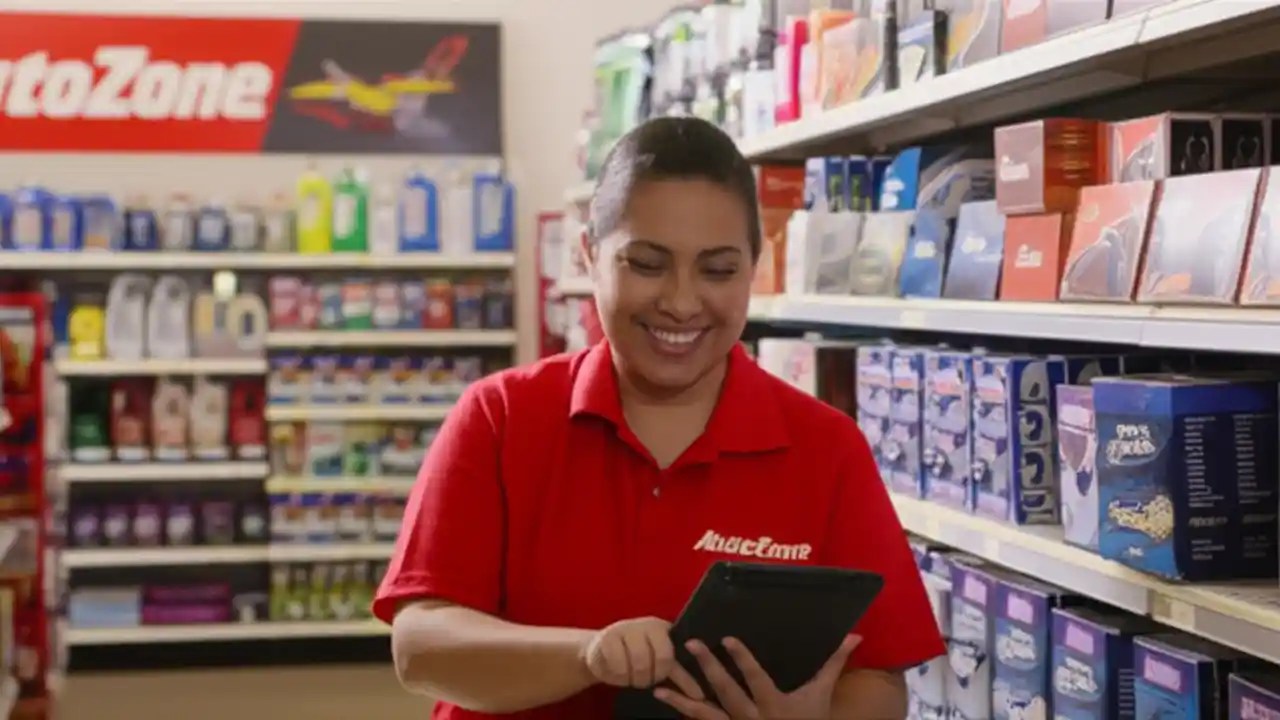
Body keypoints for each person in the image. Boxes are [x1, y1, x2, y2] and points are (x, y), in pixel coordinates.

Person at [374, 116, 945, 719]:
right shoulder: (500, 417)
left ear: (755, 265)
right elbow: (421, 645)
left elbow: (879, 677)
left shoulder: (825, 448)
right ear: (591, 255)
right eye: (646, 264)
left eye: (718, 270)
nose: (680, 301)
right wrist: (589, 655)